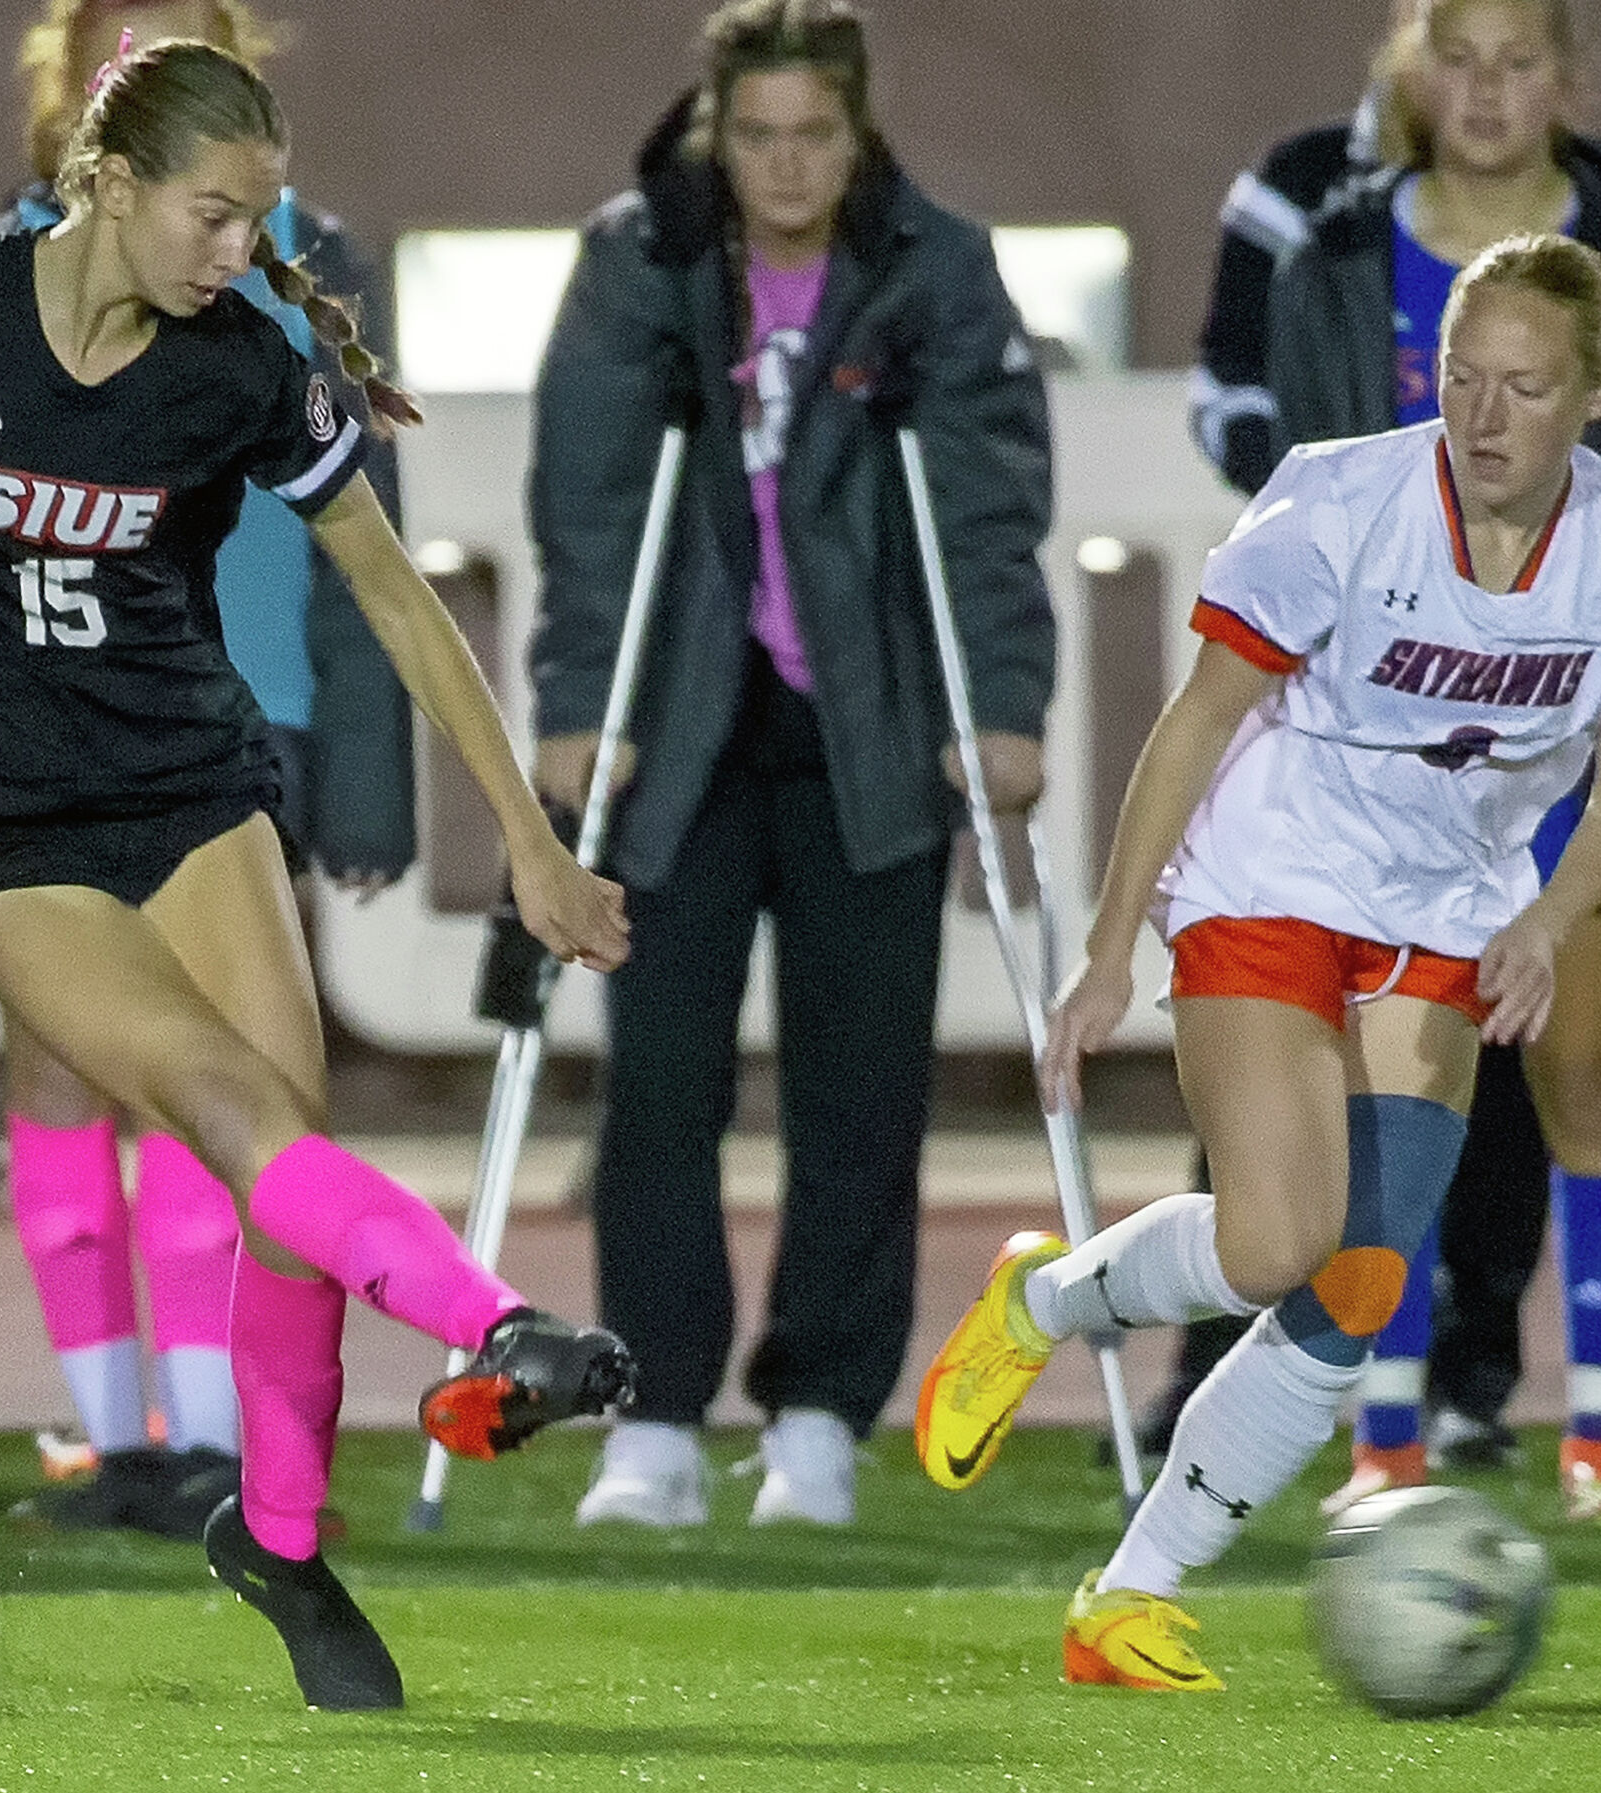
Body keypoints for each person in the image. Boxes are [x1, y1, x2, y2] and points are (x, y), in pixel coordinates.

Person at [0, 42, 634, 1709]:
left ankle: (283, 1537)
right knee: (235, 1116)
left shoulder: (241, 367)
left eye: (256, 223)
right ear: (107, 181)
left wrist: (529, 840)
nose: (239, 252)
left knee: (290, 1170)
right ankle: (496, 1322)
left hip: (187, 781)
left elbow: (399, 600)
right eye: (215, 215)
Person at [918, 235, 1601, 1689]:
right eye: (1464, 378)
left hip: (1448, 903)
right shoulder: (1339, 500)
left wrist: (1541, 922)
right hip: (1274, 868)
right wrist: (1102, 950)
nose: (1488, 418)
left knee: (1365, 1273)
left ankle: (1126, 1599)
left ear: (1598, 394)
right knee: (1273, 1241)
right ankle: (1040, 1301)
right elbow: (1196, 723)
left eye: (1527, 387)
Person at [529, 0, 1054, 1529]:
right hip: (681, 727)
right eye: (755, 135)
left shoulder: (934, 267)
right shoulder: (643, 258)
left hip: (872, 728)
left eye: (813, 134)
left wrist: (1003, 699)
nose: (784, 164)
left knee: (861, 1090)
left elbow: (989, 499)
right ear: (716, 128)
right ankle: (658, 1418)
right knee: (661, 1084)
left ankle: (820, 1411)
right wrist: (577, 697)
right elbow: (588, 490)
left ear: (859, 126)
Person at [0, 0, 415, 1541]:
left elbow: (372, 533)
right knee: (55, 1069)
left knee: (213, 1076)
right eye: (116, 42)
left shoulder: (301, 259)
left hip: (243, 714)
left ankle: (219, 1443)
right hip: (35, 729)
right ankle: (121, 1446)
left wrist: (372, 773)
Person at [1269, 0, 1601, 1518]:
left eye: (1522, 61)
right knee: (1397, 1081)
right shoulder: (1335, 261)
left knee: (1588, 1068)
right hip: (1388, 737)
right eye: (1462, 56)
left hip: (1583, 713)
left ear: (1566, 81)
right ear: (1409, 73)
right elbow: (1299, 478)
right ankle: (1390, 1439)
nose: (1490, 91)